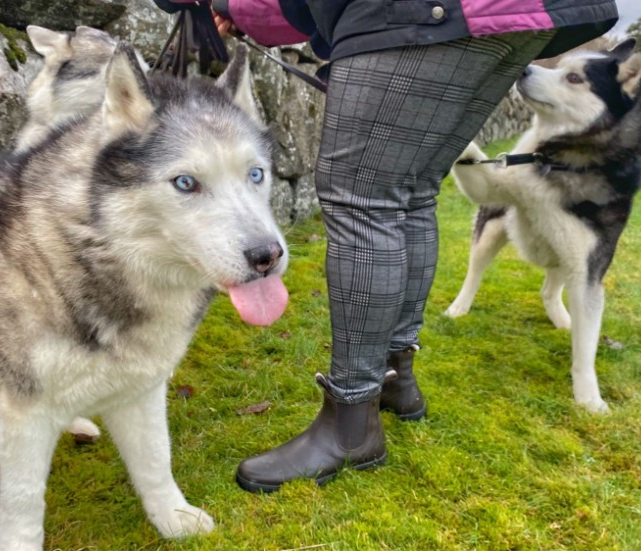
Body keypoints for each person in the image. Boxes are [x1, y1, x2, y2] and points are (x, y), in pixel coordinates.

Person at [207, 0, 620, 493]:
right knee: (411, 192)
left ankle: (351, 429)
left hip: (429, 9)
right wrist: (251, 12)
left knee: (362, 196)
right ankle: (396, 381)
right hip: (519, 12)